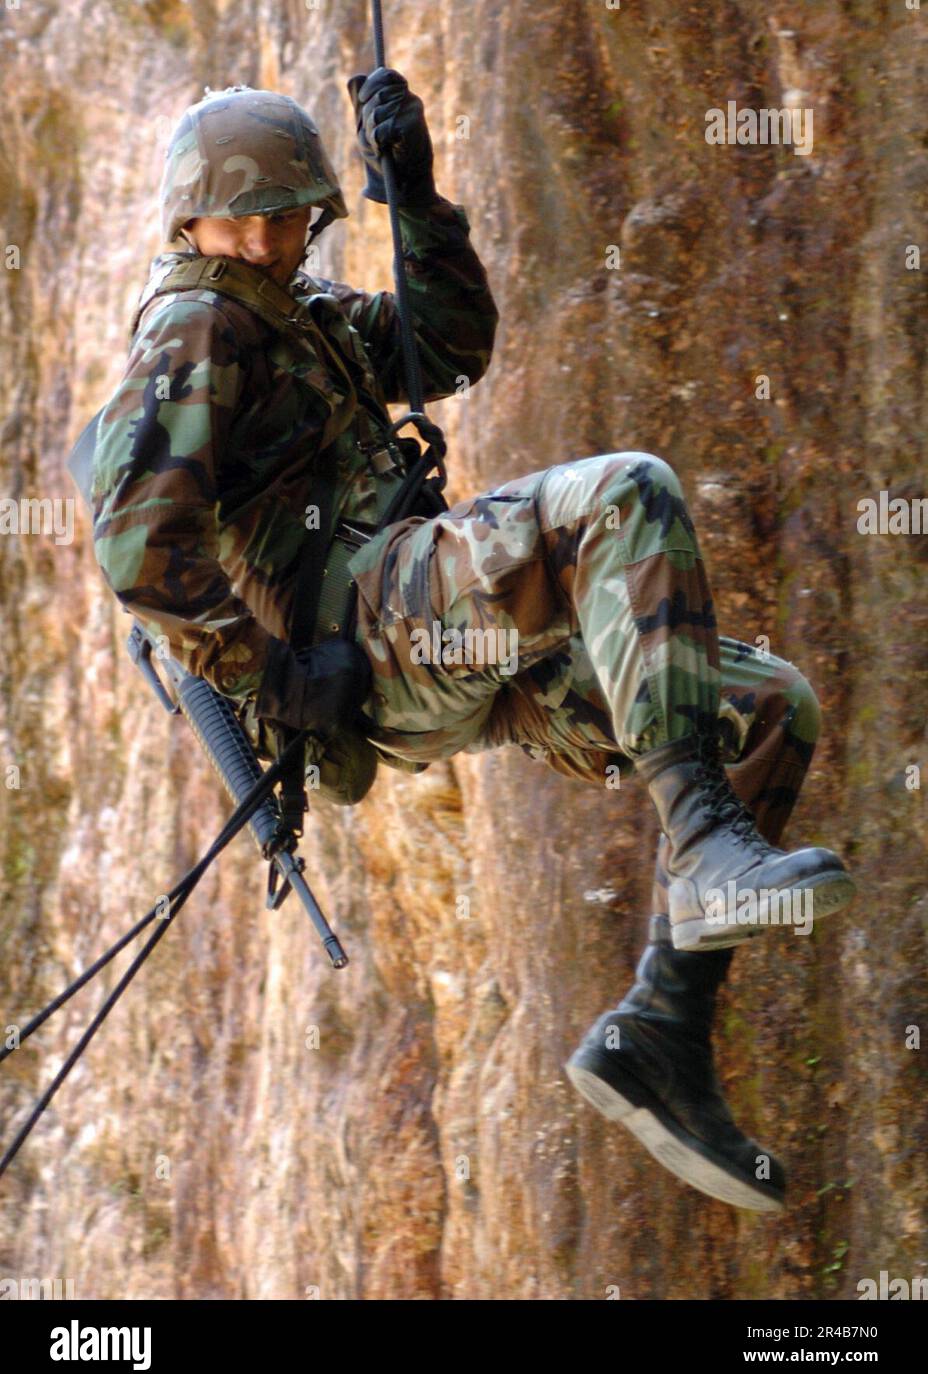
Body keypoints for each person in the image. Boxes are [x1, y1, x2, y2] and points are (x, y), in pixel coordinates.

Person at [90, 71, 855, 1213]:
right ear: (187, 220)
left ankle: (661, 1030)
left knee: (764, 706)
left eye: (284, 213)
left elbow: (445, 349)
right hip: (361, 636)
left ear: (311, 216)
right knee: (620, 499)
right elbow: (135, 548)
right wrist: (277, 674)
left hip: (411, 639)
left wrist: (418, 198)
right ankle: (704, 850)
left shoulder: (290, 312)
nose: (259, 236)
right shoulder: (197, 325)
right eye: (236, 216)